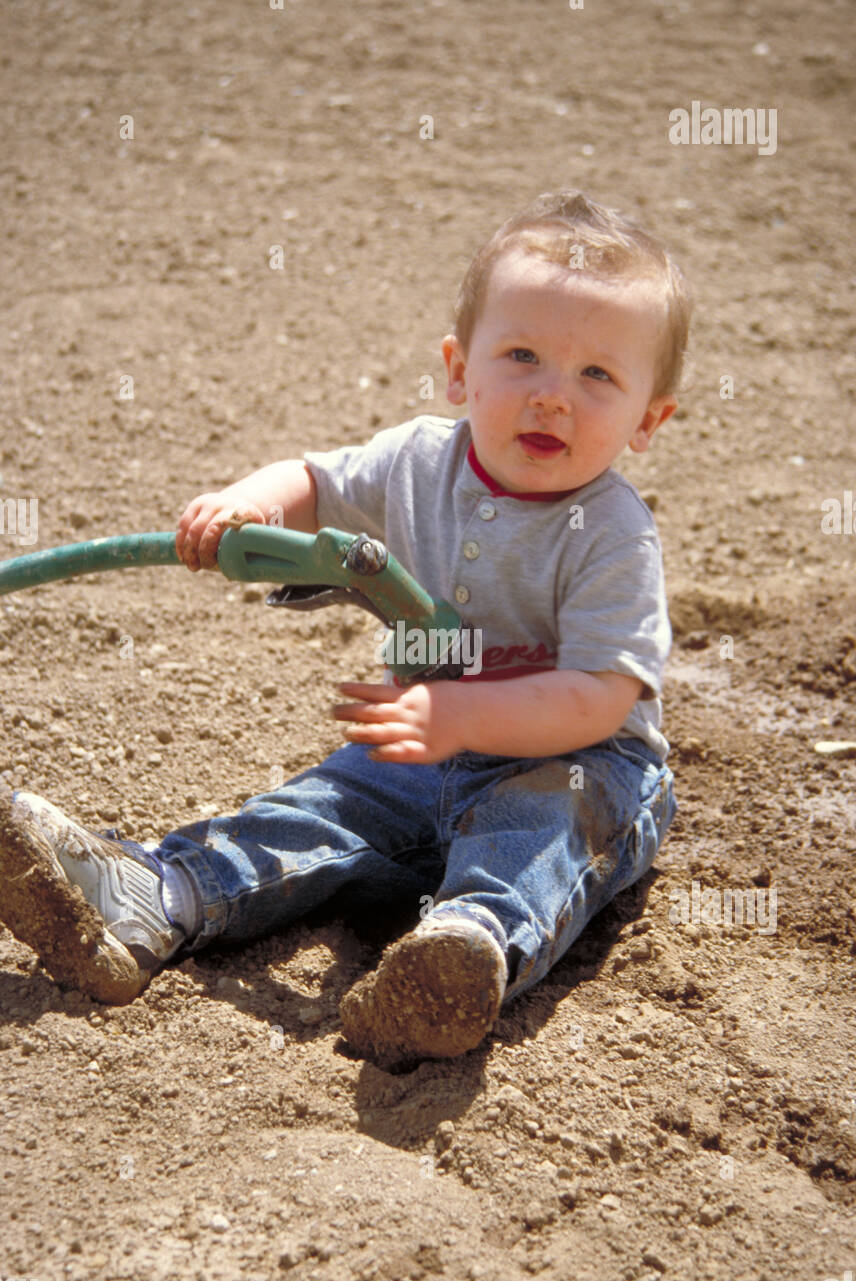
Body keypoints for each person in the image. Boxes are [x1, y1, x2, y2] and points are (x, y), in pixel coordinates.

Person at [0, 191, 691, 1067]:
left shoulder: (614, 533)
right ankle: (157, 896)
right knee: (319, 807)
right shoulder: (415, 462)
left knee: (538, 831)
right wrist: (250, 504)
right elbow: (313, 483)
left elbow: (599, 698)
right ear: (458, 370)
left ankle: (461, 953)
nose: (554, 396)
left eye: (599, 376)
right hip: (426, 742)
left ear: (649, 420)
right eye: (523, 356)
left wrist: (466, 720)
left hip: (581, 760)